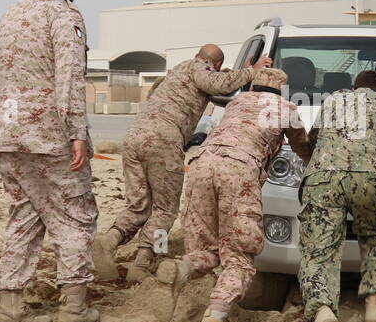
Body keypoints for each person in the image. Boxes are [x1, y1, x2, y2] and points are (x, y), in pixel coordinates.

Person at [0, 0, 100, 322]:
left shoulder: (11, 14)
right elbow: (70, 77)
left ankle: (10, 305)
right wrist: (77, 134)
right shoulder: (64, 14)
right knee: (75, 217)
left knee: (24, 216)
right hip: (50, 136)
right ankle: (73, 308)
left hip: (9, 133)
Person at [160, 66, 312, 322]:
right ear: (282, 90)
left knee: (209, 247)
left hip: (202, 164)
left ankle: (183, 268)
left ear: (253, 87)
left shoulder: (237, 102)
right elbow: (302, 145)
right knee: (240, 256)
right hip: (238, 171)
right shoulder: (286, 108)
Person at [93, 44, 271, 283]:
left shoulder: (181, 69)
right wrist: (251, 72)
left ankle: (110, 239)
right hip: (163, 141)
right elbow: (218, 85)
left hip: (134, 137)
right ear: (214, 64)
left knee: (138, 203)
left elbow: (217, 81)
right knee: (166, 209)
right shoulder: (201, 69)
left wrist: (234, 73)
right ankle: (146, 259)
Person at [299, 69, 376, 322]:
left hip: (324, 176)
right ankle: (374, 306)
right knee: (374, 232)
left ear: (354, 87)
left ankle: (323, 311)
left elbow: (314, 139)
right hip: (371, 178)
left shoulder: (334, 99)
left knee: (319, 249)